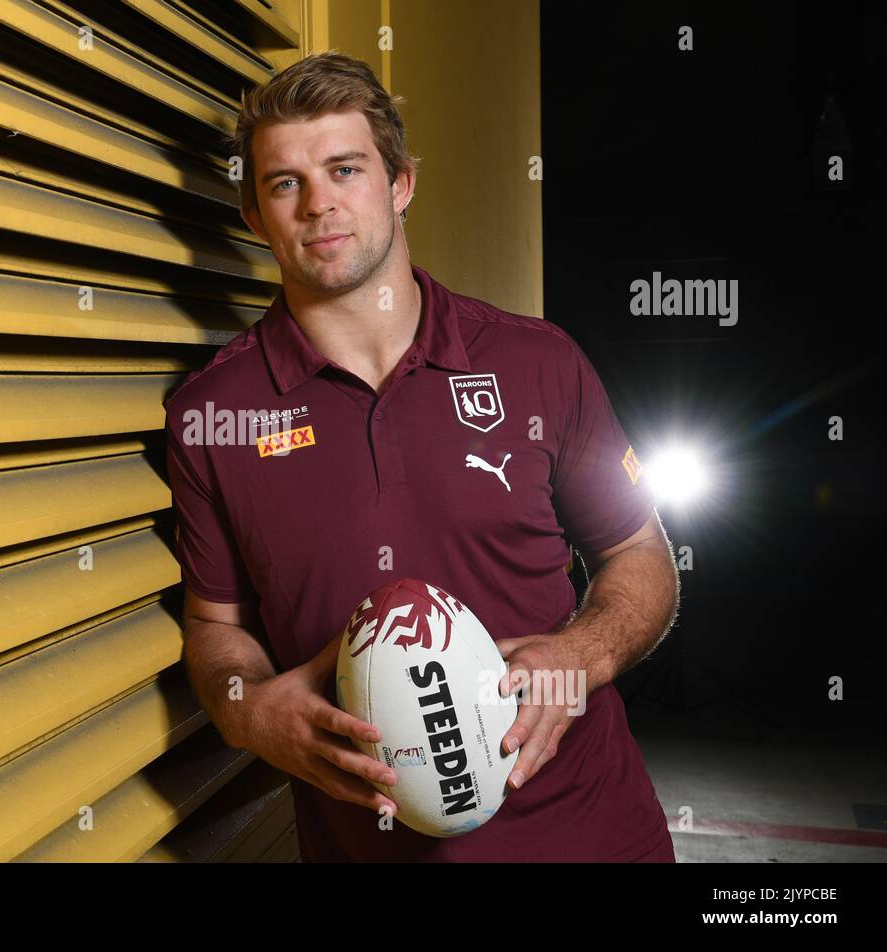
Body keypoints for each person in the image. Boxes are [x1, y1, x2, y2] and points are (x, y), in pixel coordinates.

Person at [163, 51, 679, 862]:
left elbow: (640, 553)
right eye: (284, 183)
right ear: (255, 217)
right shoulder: (211, 415)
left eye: (345, 169)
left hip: (593, 836)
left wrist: (582, 654)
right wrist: (249, 710)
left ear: (401, 184)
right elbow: (212, 624)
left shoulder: (536, 362)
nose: (320, 204)